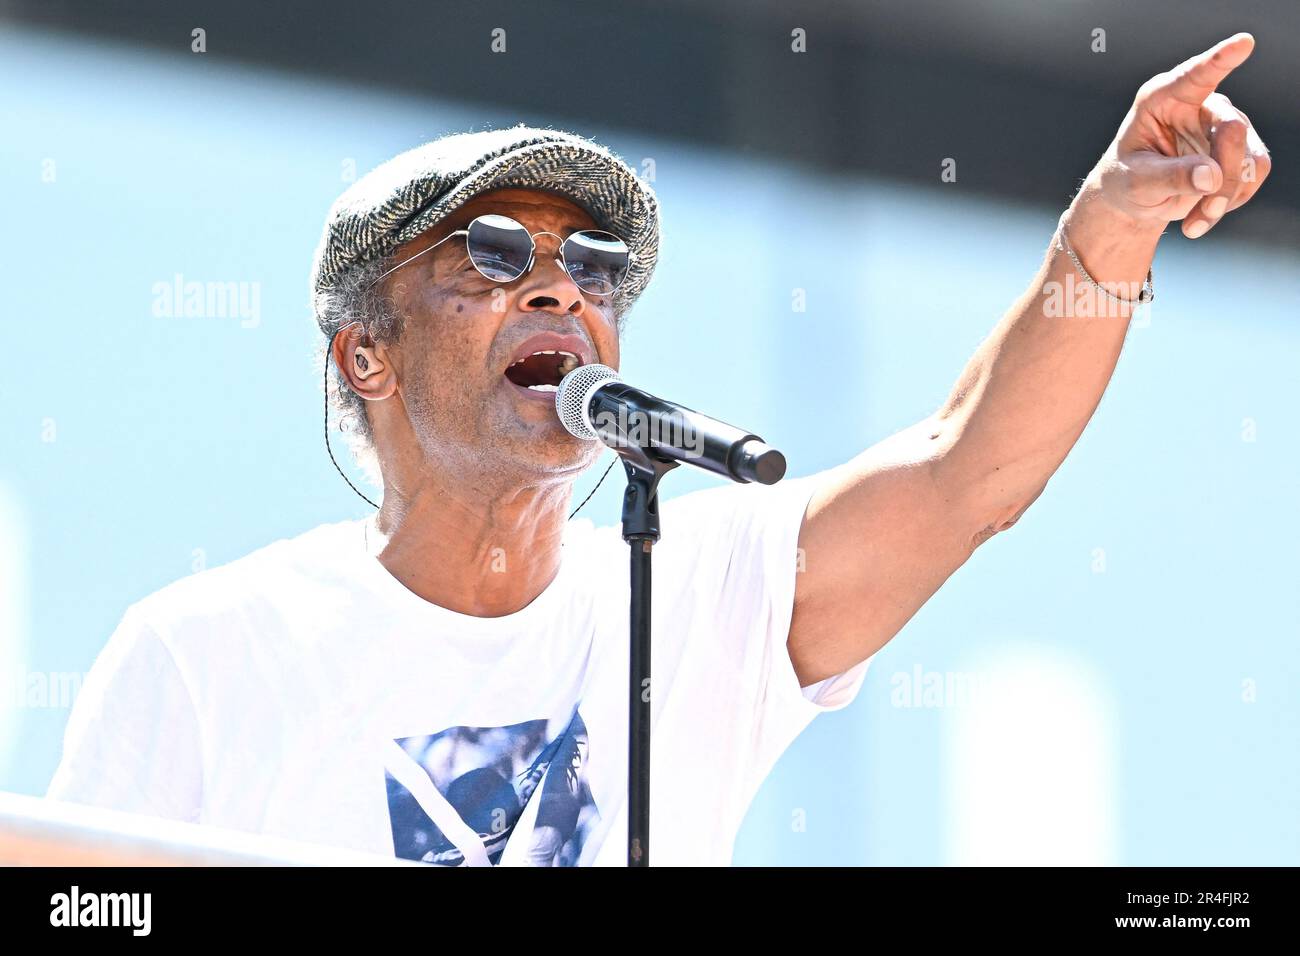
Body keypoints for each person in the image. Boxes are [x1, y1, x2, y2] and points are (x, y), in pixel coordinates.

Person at [47, 34, 1271, 866]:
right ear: (364, 356)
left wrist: (1106, 231)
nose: (554, 290)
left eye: (591, 268)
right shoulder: (205, 650)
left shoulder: (691, 585)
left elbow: (970, 471)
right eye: (488, 253)